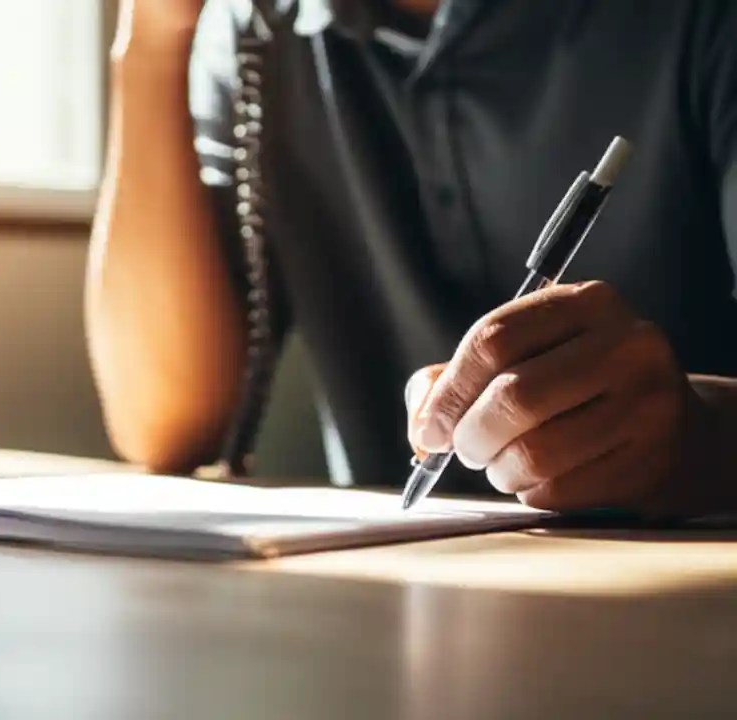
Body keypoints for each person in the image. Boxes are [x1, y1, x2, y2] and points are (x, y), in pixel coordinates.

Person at [85, 0, 737, 515]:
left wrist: (699, 440)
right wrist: (153, 40)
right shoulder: (254, 28)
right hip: (388, 610)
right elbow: (164, 424)